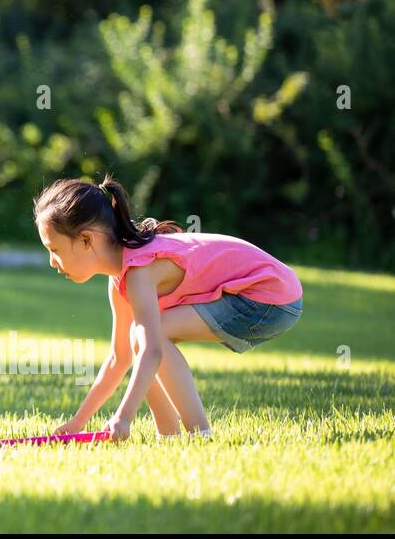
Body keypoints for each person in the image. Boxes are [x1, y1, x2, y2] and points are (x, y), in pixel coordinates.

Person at [33, 175, 304, 440]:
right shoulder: (122, 279)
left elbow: (152, 350)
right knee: (140, 336)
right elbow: (119, 358)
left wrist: (123, 416)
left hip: (270, 297)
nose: (52, 262)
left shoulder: (140, 272)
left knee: (152, 335)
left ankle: (200, 435)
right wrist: (79, 421)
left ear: (86, 240)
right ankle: (170, 437)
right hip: (271, 295)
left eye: (54, 249)